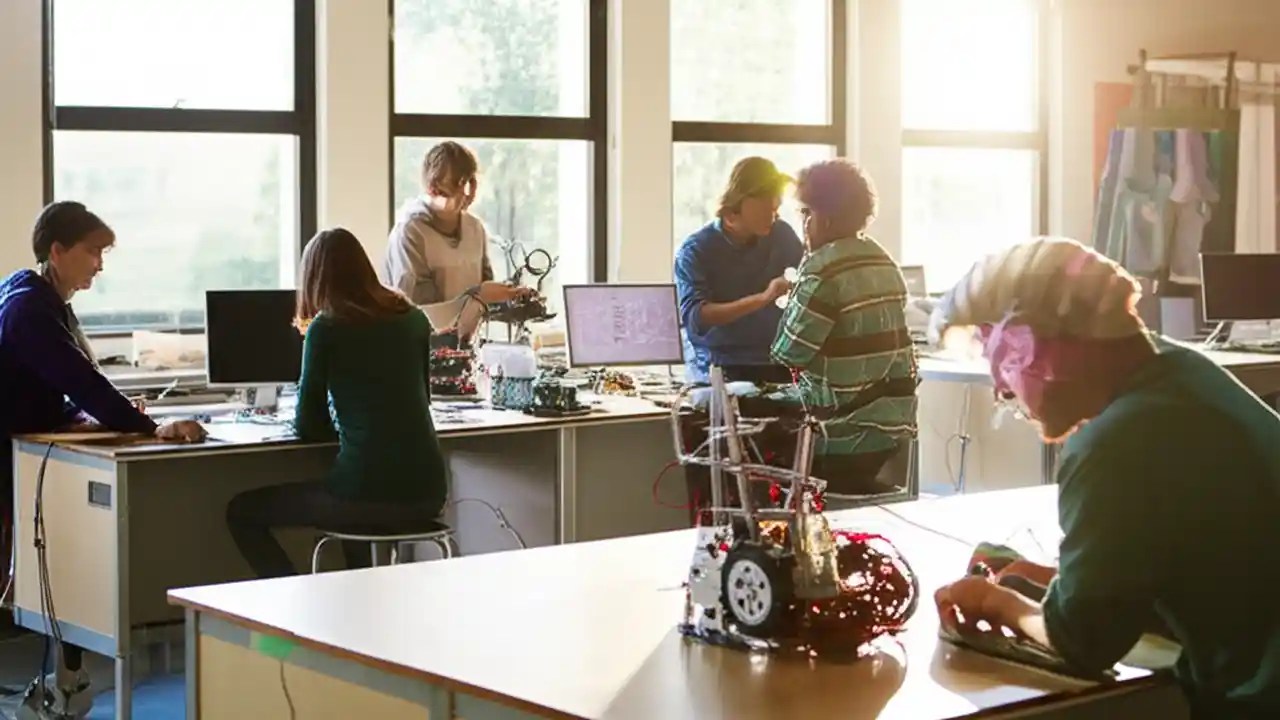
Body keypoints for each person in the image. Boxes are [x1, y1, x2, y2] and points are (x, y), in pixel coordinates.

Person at [930, 238, 1280, 719]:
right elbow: (1205, 564)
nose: (1000, 386)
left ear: (1037, 343)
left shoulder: (1115, 442)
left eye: (1004, 359)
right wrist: (1059, 582)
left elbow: (1085, 642)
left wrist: (996, 603)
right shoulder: (1184, 372)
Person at [0, 201, 205, 718]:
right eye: (92, 252)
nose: (99, 264)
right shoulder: (28, 308)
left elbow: (56, 386)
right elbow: (80, 379)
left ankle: (67, 678)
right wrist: (150, 427)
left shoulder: (41, 296)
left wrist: (85, 417)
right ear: (57, 250)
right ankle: (64, 681)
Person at [226, 228, 449, 578]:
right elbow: (422, 394)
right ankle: (357, 608)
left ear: (314, 279)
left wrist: (338, 417)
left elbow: (308, 425)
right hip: (428, 492)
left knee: (241, 512)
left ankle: (289, 604)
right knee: (352, 505)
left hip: (363, 494)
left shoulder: (327, 328)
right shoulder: (413, 318)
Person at [769, 159, 917, 497]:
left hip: (837, 437)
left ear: (825, 217)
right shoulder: (883, 261)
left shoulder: (822, 271)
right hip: (890, 435)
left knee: (731, 434)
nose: (803, 223)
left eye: (805, 212)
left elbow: (787, 353)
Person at [674, 156, 803, 384]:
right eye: (767, 208)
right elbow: (696, 318)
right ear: (741, 203)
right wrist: (764, 298)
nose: (774, 217)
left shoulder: (782, 235)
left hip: (776, 361)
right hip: (719, 365)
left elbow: (809, 278)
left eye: (776, 209)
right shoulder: (695, 250)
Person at [382, 140, 529, 340]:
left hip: (469, 347)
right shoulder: (411, 233)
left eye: (471, 182)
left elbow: (487, 291)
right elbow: (421, 310)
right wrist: (477, 295)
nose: (468, 195)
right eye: (460, 185)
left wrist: (512, 296)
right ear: (433, 188)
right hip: (423, 350)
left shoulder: (474, 228)